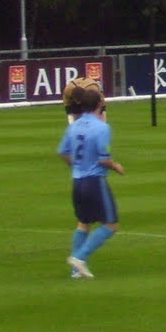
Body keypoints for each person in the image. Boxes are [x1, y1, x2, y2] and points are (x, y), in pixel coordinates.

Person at [57, 89, 126, 279]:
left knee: (84, 223)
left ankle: (75, 271)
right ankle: (79, 257)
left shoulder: (74, 126)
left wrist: (76, 165)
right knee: (111, 225)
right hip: (94, 181)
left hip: (77, 181)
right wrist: (116, 167)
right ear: (99, 105)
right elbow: (104, 159)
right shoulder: (102, 127)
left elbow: (63, 152)